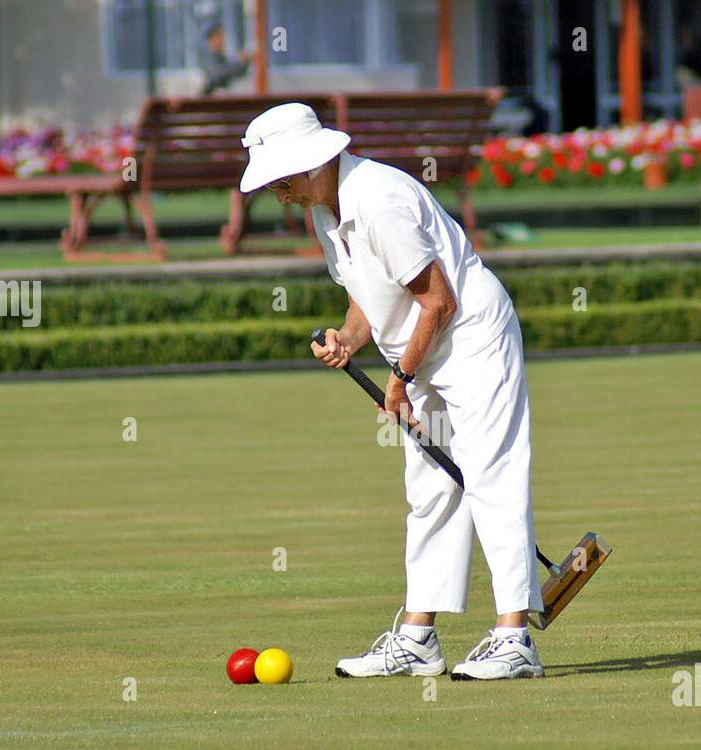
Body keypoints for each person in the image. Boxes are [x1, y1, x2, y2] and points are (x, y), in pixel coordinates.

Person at [238, 103, 545, 681]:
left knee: (489, 474)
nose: (279, 194)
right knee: (430, 487)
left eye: (281, 182)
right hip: (422, 348)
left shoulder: (378, 199)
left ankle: (515, 639)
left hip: (471, 337)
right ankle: (418, 640)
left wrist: (400, 378)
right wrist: (348, 339)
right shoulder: (326, 211)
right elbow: (366, 290)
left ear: (312, 165)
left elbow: (440, 300)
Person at [201, 18, 251, 95]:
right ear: (210, 39)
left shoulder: (221, 56)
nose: (222, 40)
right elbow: (217, 74)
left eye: (222, 36)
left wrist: (244, 62)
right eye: (218, 37)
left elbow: (237, 72)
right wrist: (237, 63)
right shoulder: (207, 57)